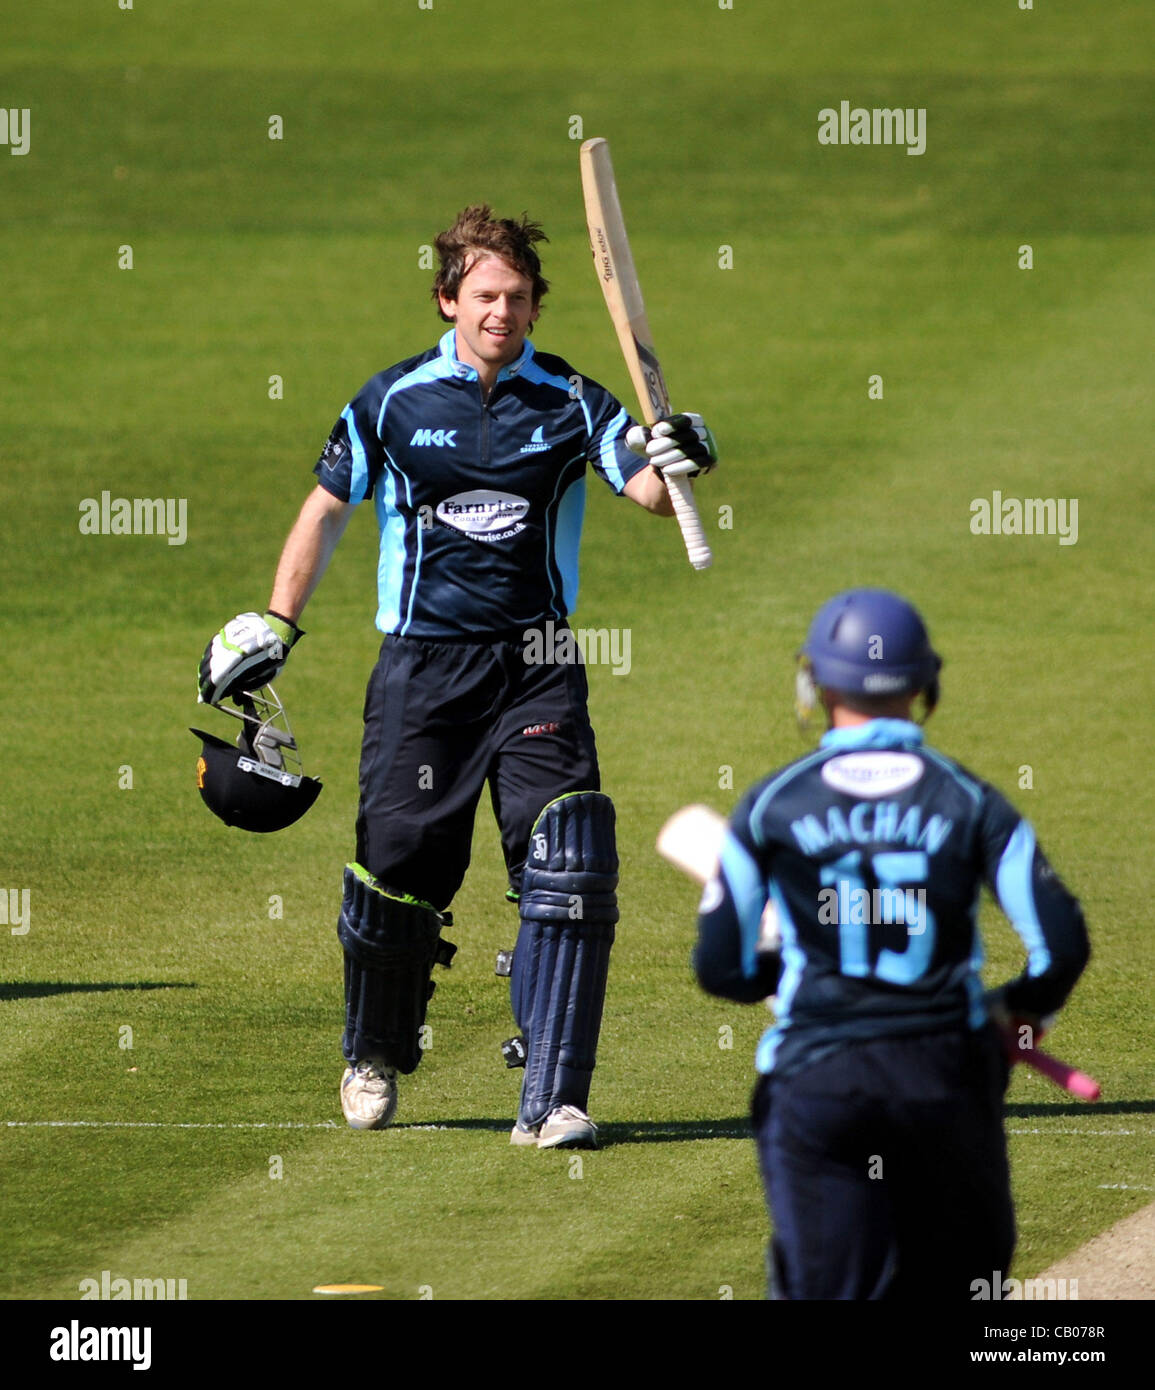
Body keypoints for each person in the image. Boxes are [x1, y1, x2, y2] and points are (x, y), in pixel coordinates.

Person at [199, 205, 716, 1150]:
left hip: (538, 663)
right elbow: (324, 509)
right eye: (484, 295)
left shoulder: (572, 400)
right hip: (420, 668)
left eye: (517, 298)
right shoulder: (392, 401)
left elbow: (639, 486)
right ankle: (374, 1050)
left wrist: (680, 455)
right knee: (398, 872)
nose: (501, 312)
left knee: (567, 857)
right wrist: (279, 620)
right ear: (447, 299)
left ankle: (552, 1095)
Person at [693, 588, 1090, 1298]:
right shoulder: (970, 801)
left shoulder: (770, 803)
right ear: (924, 686)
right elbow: (1061, 946)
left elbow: (721, 967)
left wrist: (792, 968)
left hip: (819, 1085)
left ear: (812, 682)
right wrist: (1015, 1010)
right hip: (944, 1078)